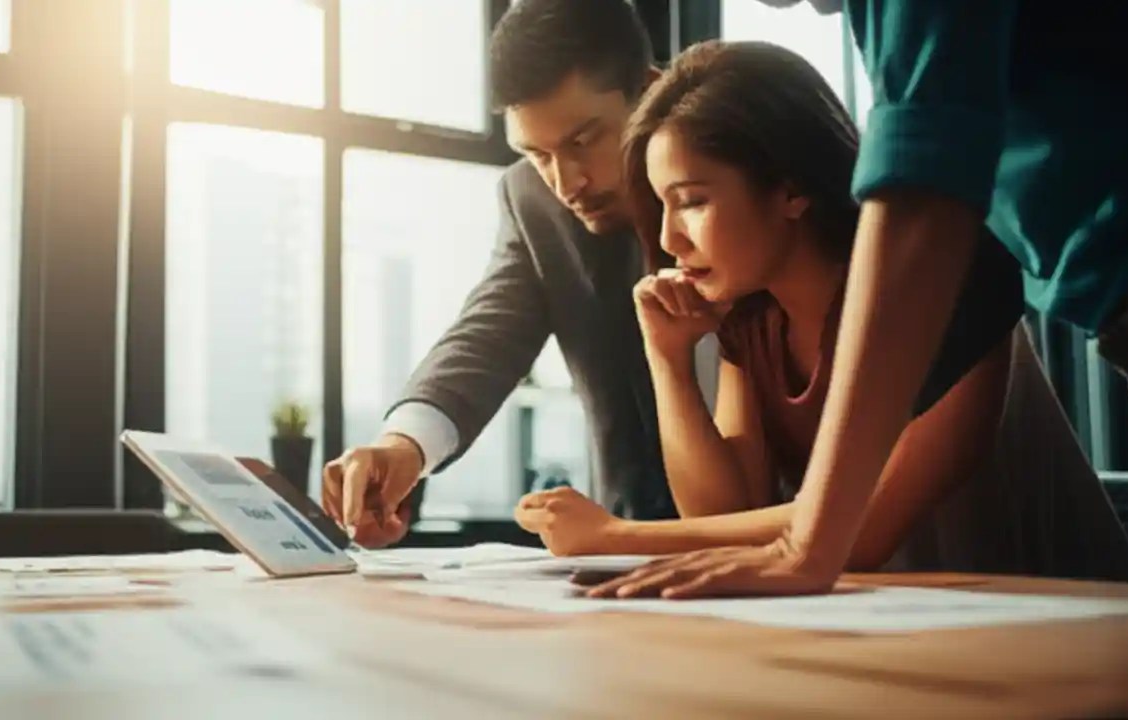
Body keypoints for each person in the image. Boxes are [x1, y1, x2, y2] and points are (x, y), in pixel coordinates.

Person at [322, 0, 1019, 549]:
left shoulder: (898, 255)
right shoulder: (744, 307)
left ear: (648, 96)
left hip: (949, 569)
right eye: (536, 154)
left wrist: (626, 538)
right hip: (753, 572)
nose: (564, 182)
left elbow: (855, 523)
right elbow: (488, 332)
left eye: (583, 139)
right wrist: (403, 446)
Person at [594, 0, 1128, 597]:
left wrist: (615, 536)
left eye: (693, 200)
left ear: (792, 189)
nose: (671, 239)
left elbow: (864, 531)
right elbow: (726, 514)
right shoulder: (753, 321)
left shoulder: (946, 281)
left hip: (1041, 627)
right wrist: (669, 362)